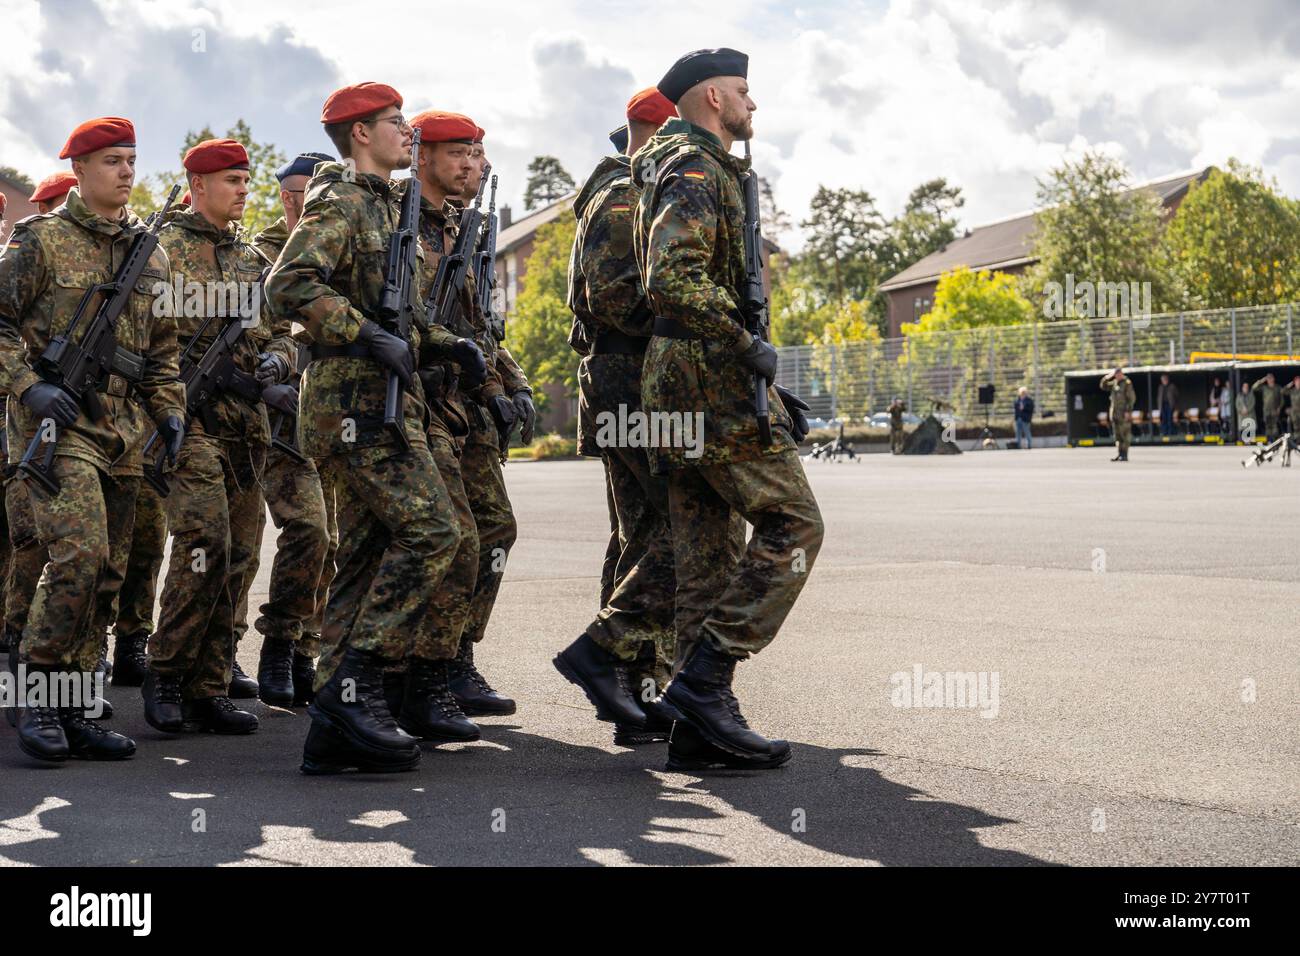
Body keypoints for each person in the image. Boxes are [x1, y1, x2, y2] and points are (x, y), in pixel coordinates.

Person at [630, 48, 823, 767]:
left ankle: (696, 731)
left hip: (682, 381)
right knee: (795, 525)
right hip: (706, 380)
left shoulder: (680, 162)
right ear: (712, 97)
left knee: (705, 555)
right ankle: (705, 683)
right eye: (745, 91)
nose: (753, 104)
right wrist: (746, 344)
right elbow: (671, 277)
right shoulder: (696, 166)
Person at [266, 82, 463, 774]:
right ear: (360, 135)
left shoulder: (387, 205)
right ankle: (360, 681)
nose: (408, 132)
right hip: (350, 406)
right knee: (435, 532)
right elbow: (287, 286)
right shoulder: (343, 200)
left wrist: (441, 341)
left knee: (366, 556)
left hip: (383, 400)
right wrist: (361, 335)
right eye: (395, 122)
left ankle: (333, 724)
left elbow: (397, 312)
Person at [0, 116, 187, 761]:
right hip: (56, 427)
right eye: (111, 161)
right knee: (77, 555)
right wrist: (27, 385)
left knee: (109, 572)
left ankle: (77, 705)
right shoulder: (40, 242)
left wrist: (170, 410)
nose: (126, 172)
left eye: (131, 160)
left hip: (124, 433)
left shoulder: (151, 253)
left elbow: (163, 350)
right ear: (78, 170)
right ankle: (35, 693)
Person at [145, 138, 296, 735]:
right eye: (231, 180)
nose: (242, 189)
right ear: (198, 185)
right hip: (187, 424)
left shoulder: (252, 262)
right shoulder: (161, 253)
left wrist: (276, 363)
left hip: (247, 429)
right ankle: (164, 670)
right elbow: (143, 339)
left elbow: (287, 330)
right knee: (202, 541)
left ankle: (208, 688)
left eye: (245, 179)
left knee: (236, 556)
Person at [556, 87, 681, 746]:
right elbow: (612, 299)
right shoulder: (626, 197)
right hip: (631, 382)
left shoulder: (636, 191)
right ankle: (616, 663)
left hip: (631, 382)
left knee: (640, 531)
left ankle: (635, 691)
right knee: (673, 524)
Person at [243, 151, 337, 708]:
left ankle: (307, 652)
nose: (296, 202)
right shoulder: (261, 256)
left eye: (306, 192)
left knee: (335, 545)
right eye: (288, 193)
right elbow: (262, 332)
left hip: (340, 418)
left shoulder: (341, 247)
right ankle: (278, 644)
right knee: (309, 531)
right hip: (282, 422)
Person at [449, 123, 531, 716]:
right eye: (463, 153)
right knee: (445, 538)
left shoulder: (473, 238)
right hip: (429, 405)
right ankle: (410, 669)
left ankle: (456, 656)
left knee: (495, 530)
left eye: (479, 154)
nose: (475, 164)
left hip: (472, 410)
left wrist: (516, 386)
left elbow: (487, 332)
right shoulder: (411, 232)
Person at [1100, 368, 1135, 461]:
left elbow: (1131, 398)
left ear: (1121, 374)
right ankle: (1119, 454)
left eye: (1118, 374)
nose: (1117, 376)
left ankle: (1125, 455)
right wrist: (1107, 377)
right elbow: (1103, 386)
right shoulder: (1115, 383)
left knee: (1125, 435)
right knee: (1117, 435)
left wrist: (1128, 411)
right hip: (1115, 413)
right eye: (1115, 374)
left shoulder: (1127, 383)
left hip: (1123, 413)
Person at [1251, 373, 1283, 442]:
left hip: (1275, 410)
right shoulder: (1264, 388)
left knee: (1275, 426)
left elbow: (1282, 399)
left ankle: (1275, 441)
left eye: (1271, 378)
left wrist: (1279, 408)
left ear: (1274, 379)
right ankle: (1269, 440)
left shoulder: (1278, 388)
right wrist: (1262, 381)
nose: (1270, 380)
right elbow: (1254, 388)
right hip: (1266, 410)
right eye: (1268, 378)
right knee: (1267, 426)